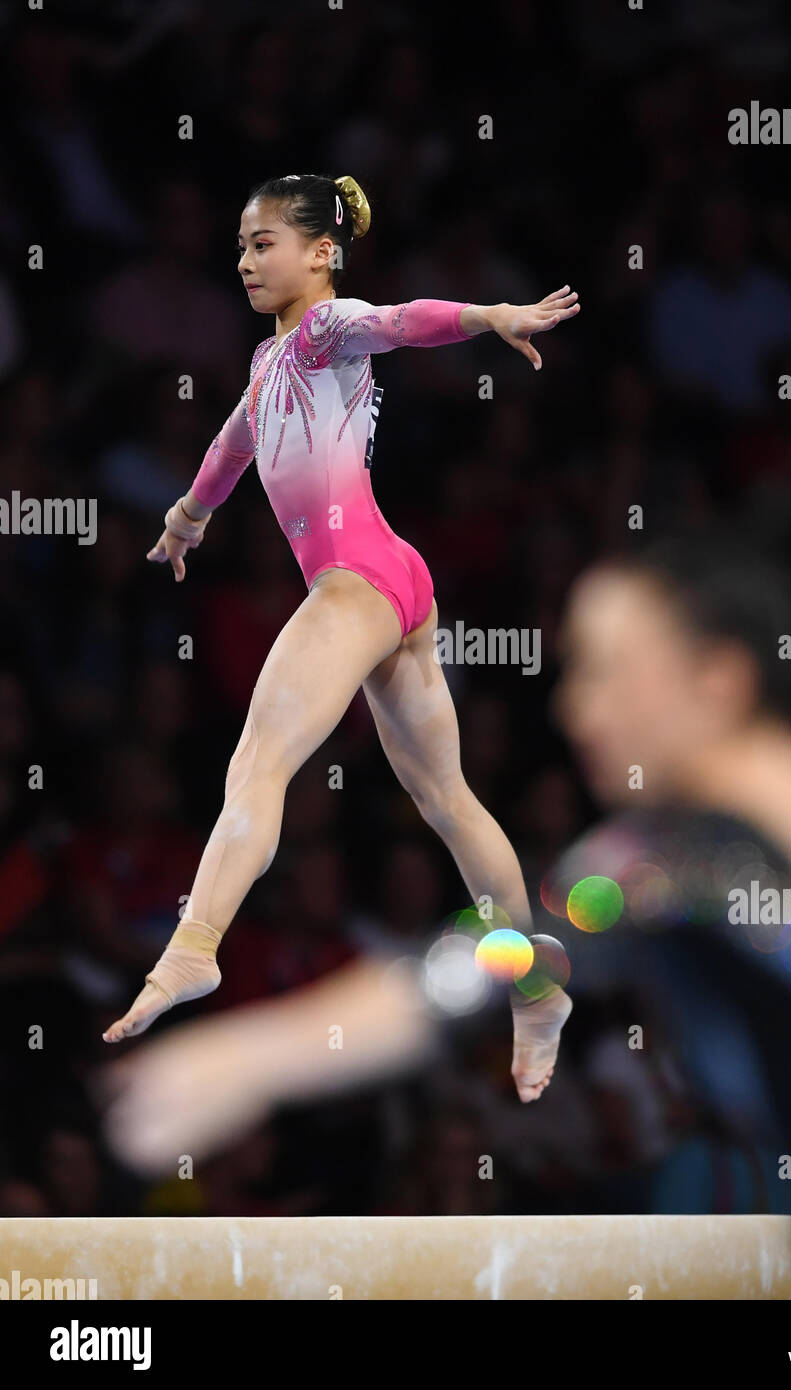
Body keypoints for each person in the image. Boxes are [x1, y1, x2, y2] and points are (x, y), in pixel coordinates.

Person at [102, 526, 791, 1295]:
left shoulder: (677, 855)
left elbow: (483, 962)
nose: (573, 709)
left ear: (720, 678)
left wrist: (250, 1059)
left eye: (605, 671)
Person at [101, 170, 580, 1119]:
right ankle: (536, 990)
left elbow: (397, 321)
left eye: (263, 242)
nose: (244, 259)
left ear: (320, 252)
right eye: (239, 245)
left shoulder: (324, 328)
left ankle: (195, 947)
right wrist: (191, 516)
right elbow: (237, 440)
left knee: (257, 763)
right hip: (396, 580)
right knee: (445, 798)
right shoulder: (270, 358)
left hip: (356, 584)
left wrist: (488, 317)